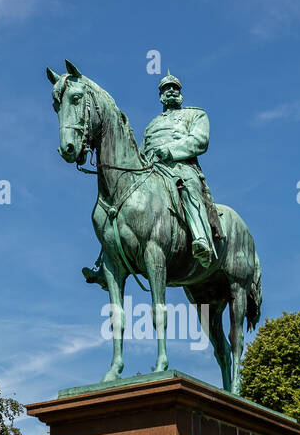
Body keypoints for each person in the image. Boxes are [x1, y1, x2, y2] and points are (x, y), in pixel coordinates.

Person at [83, 72, 223, 285]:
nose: (171, 92)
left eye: (174, 88)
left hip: (181, 166)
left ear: (180, 93)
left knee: (188, 186)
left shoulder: (195, 115)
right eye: (166, 89)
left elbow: (199, 141)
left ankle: (201, 239)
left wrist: (171, 150)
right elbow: (142, 151)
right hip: (153, 169)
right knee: (117, 206)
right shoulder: (152, 124)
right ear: (160, 96)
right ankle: (104, 262)